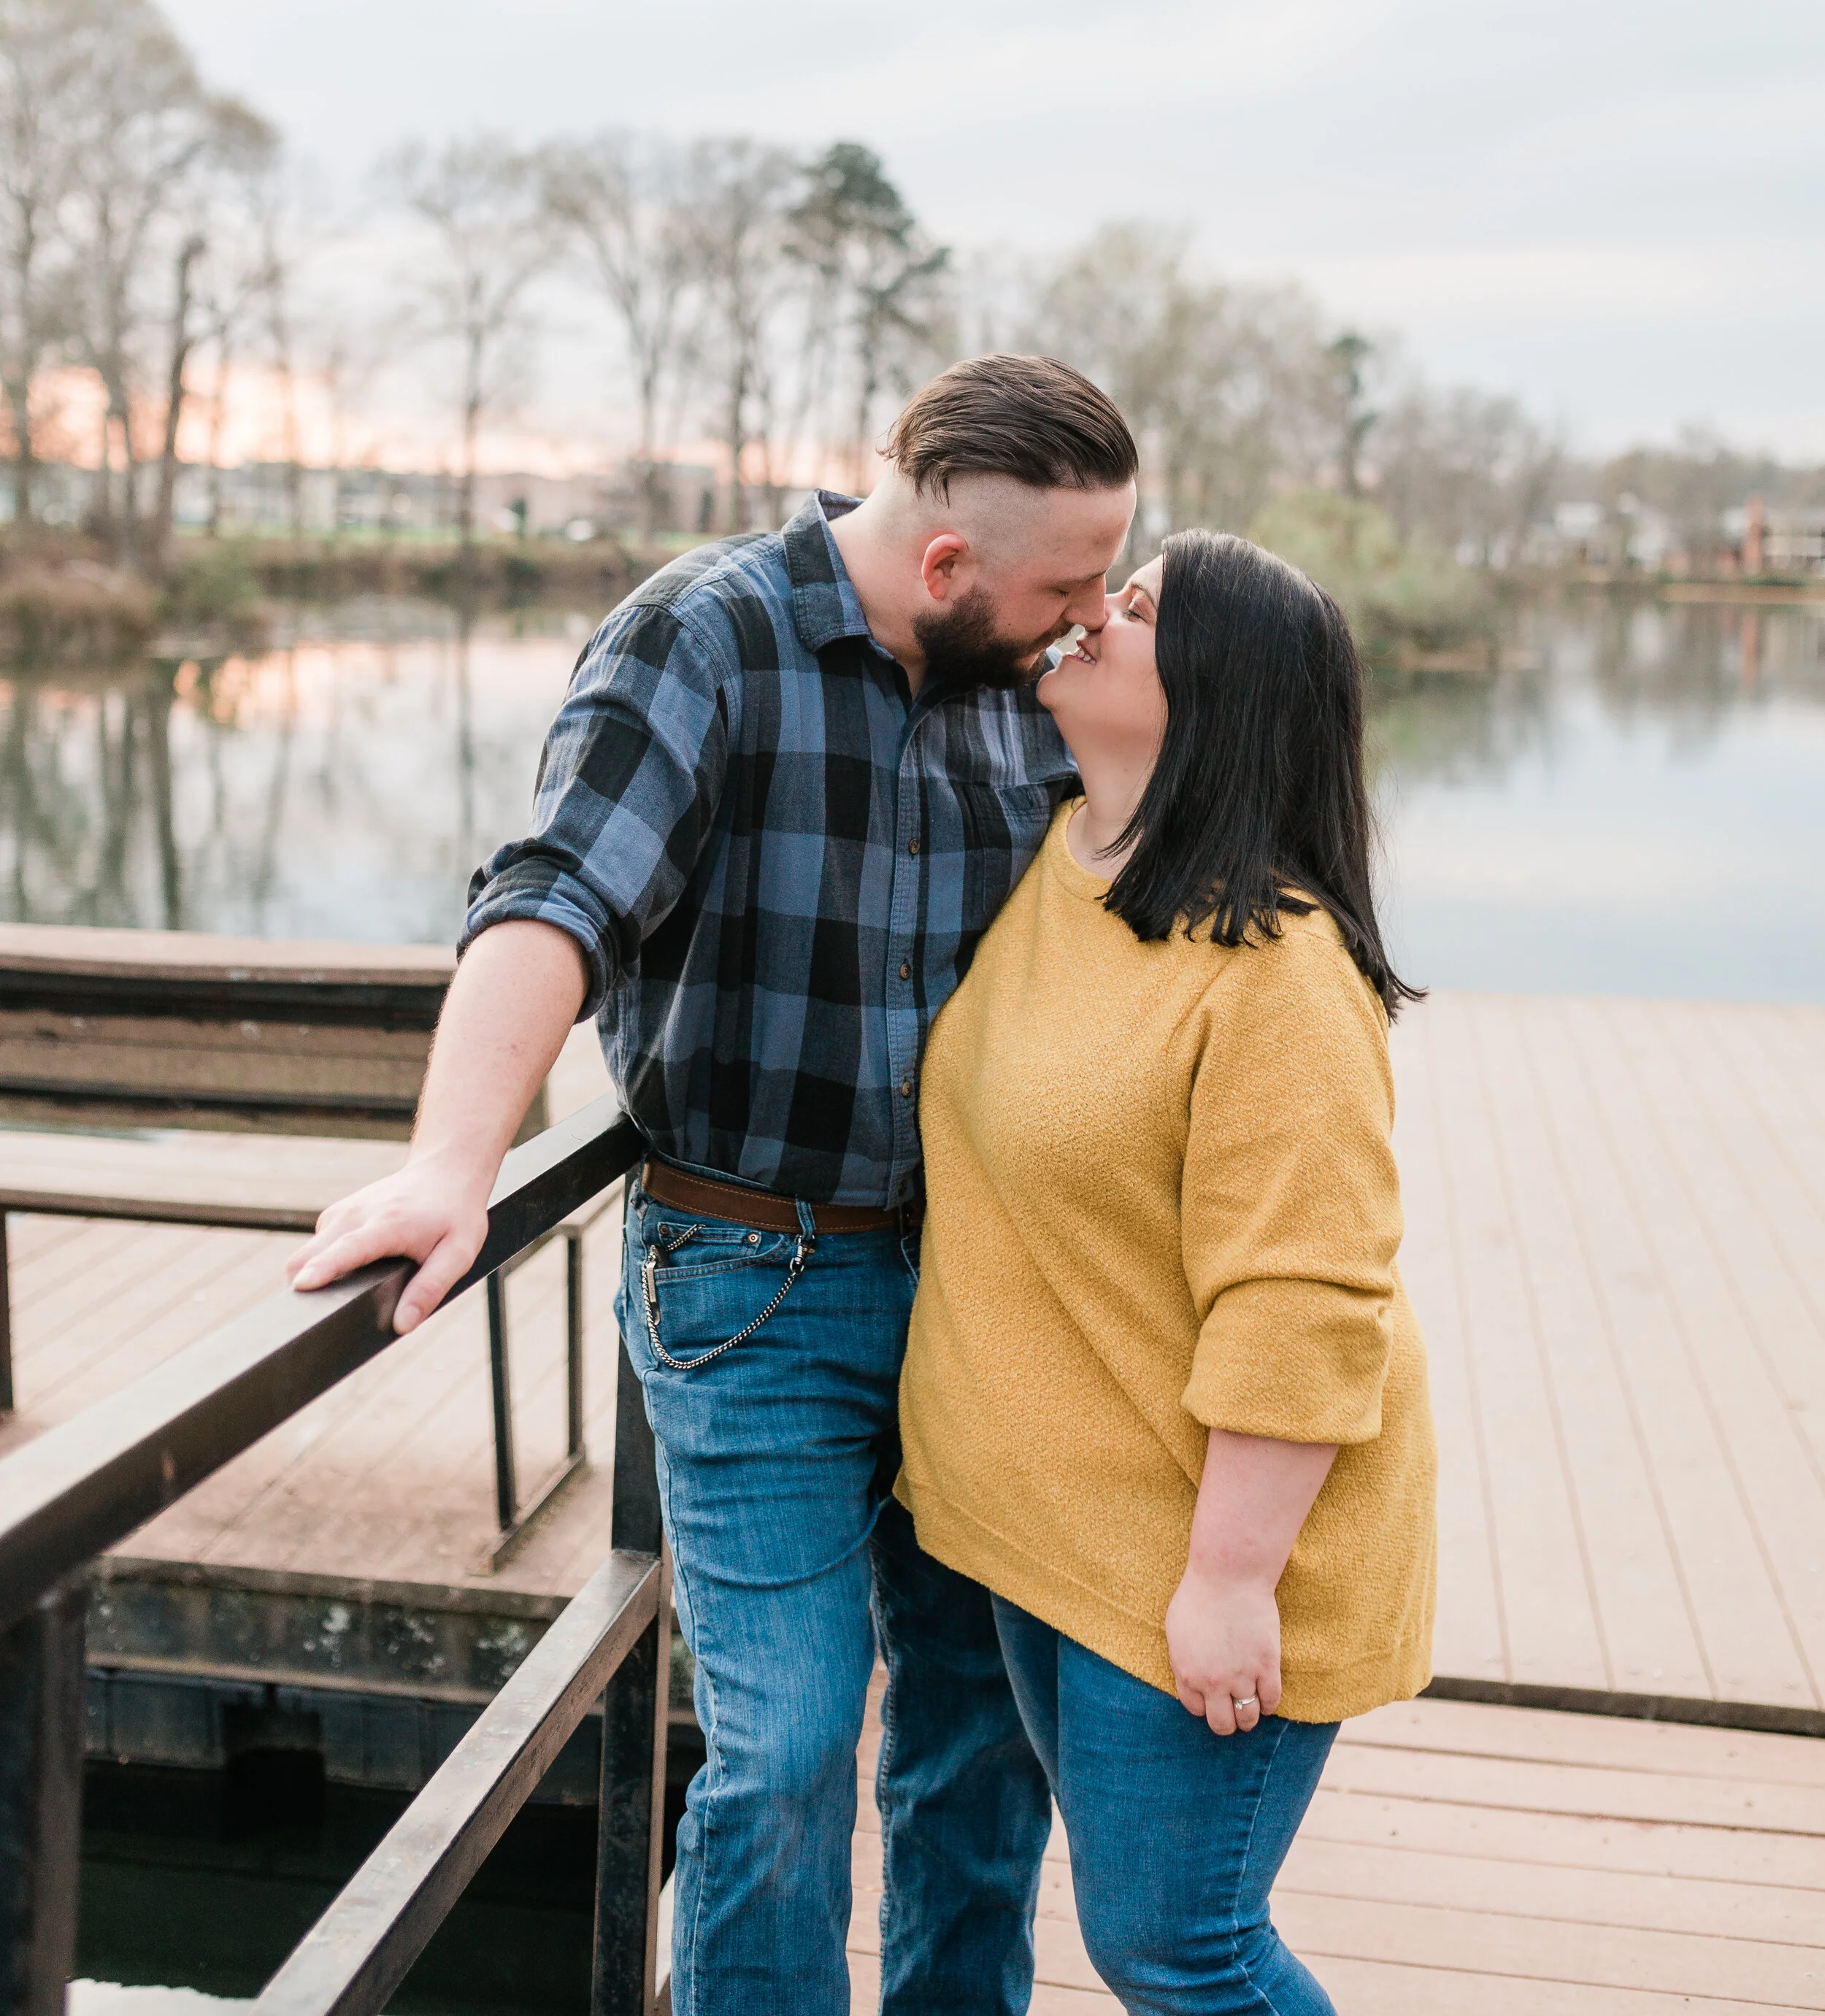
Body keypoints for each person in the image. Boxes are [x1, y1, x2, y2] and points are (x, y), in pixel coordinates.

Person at [288, 353, 1140, 2016]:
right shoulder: (705, 632)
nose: (1093, 615)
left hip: (991, 1297)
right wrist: (452, 1167)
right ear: (948, 567)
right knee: (791, 1735)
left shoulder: (1029, 672)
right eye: (1072, 582)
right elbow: (554, 898)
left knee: (981, 1728)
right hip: (753, 1283)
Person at [896, 530, 1437, 2016]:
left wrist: (1227, 1578)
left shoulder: (1273, 967)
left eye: (1131, 609)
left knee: (1170, 1946)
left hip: (1194, 1552)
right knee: (1139, 1929)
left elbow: (1307, 1300)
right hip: (1042, 1523)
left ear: (1213, 691)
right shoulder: (1055, 860)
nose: (1088, 616)